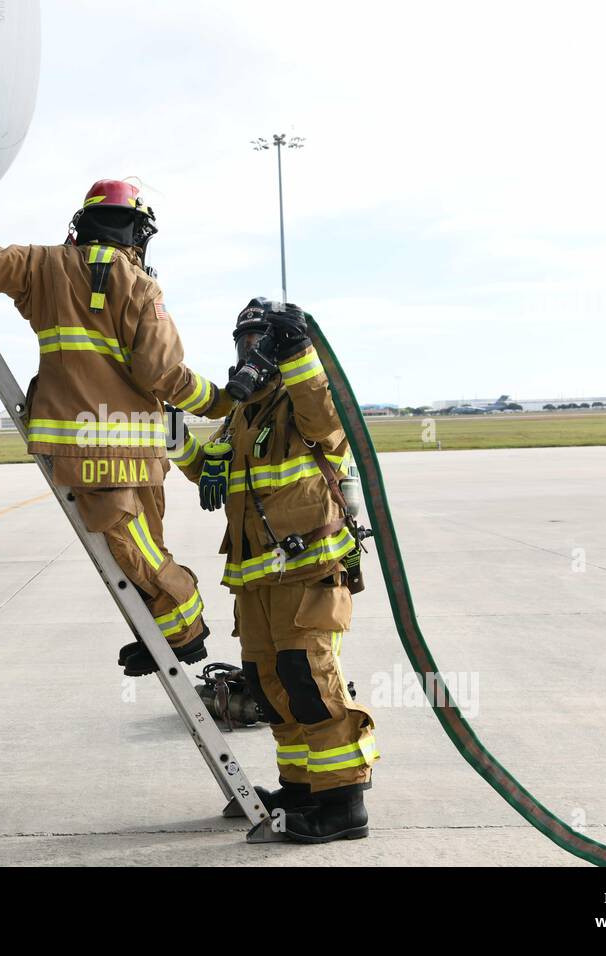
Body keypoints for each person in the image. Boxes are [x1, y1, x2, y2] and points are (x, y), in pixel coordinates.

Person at [0, 180, 231, 676]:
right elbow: (164, 375)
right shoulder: (142, 287)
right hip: (137, 450)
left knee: (134, 553)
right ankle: (170, 632)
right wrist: (216, 402)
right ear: (135, 231)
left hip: (88, 450)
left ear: (82, 223)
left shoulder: (42, 265)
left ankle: (182, 630)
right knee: (141, 549)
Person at [173, 298, 379, 843]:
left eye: (259, 341)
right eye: (241, 343)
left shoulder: (303, 398)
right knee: (271, 688)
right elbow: (211, 474)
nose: (248, 354)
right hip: (256, 578)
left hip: (307, 570)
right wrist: (175, 439)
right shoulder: (243, 413)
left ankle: (343, 803)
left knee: (309, 680)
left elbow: (329, 423)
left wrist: (300, 353)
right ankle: (300, 787)